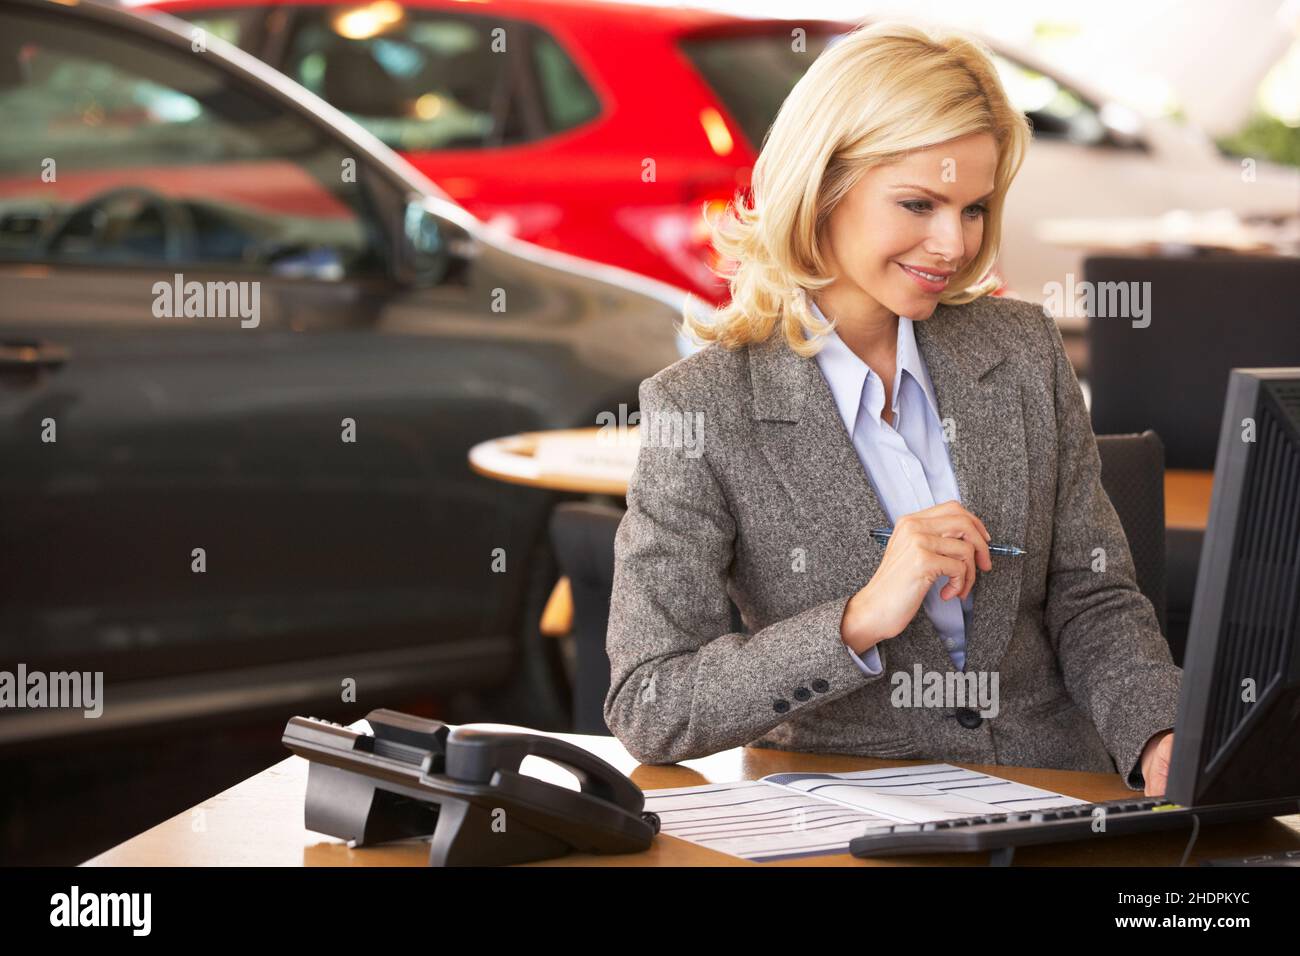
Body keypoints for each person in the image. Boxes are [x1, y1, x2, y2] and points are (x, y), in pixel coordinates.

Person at [603, 20, 1180, 795]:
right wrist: (857, 620)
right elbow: (649, 704)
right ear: (824, 185)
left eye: (974, 209)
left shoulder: (1020, 350)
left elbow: (1092, 595)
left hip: (1059, 797)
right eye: (919, 204)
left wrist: (1162, 732)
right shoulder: (702, 407)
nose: (953, 243)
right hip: (850, 817)